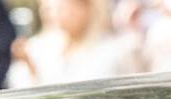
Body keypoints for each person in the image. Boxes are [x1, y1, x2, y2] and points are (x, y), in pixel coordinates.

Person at [8, 0, 142, 88]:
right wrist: (30, 67)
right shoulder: (35, 48)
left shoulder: (114, 50)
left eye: (62, 7)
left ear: (85, 7)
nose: (54, 14)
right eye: (49, 7)